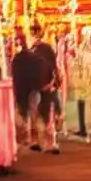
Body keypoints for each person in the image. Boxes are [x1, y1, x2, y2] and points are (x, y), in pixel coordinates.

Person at [30, 24, 62, 154]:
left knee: (47, 115)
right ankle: (42, 142)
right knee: (40, 115)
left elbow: (53, 67)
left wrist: (52, 82)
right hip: (39, 86)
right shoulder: (35, 49)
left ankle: (51, 143)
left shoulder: (43, 49)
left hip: (45, 86)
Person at [10, 33, 43, 145]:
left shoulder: (17, 60)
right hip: (34, 88)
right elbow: (40, 73)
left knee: (24, 113)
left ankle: (27, 136)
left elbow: (15, 76)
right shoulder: (36, 58)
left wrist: (16, 89)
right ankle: (33, 136)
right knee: (33, 112)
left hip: (22, 90)